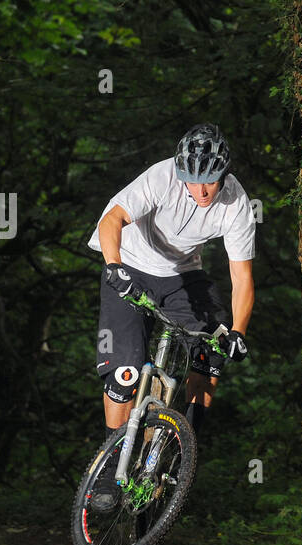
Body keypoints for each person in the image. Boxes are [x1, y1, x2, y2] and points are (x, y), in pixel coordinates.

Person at [88, 123, 255, 510]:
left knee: (215, 347)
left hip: (182, 276)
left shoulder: (236, 203)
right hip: (130, 265)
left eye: (209, 183)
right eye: (192, 182)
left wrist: (239, 331)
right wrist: (114, 268)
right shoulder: (162, 177)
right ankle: (112, 460)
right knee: (125, 371)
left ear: (223, 176)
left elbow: (242, 277)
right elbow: (111, 220)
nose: (200, 191)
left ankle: (184, 448)